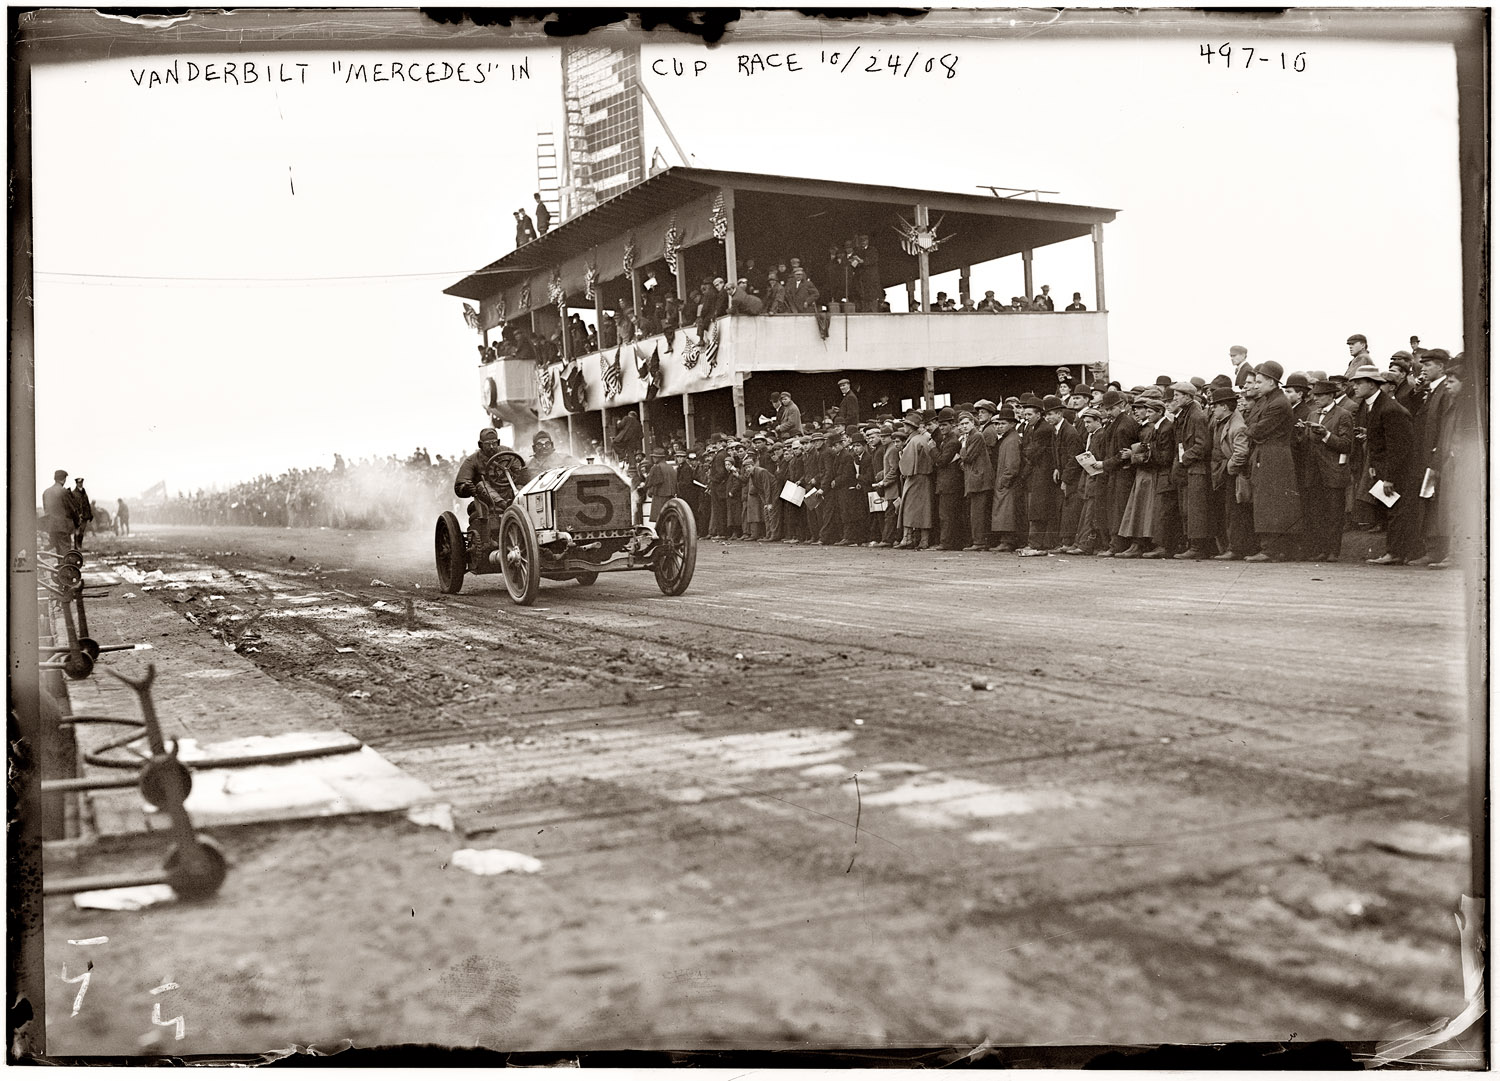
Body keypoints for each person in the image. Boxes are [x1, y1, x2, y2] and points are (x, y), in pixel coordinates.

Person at [1348, 365, 1419, 565]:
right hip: (1385, 469)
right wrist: (1375, 467)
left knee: (1396, 511)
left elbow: (1399, 448)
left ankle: (1395, 553)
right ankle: (1396, 552)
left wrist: (1389, 477)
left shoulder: (1389, 409)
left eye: (1359, 382)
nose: (1355, 386)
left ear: (1372, 384)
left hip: (1397, 472)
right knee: (1392, 510)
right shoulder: (1375, 405)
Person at [1241, 361, 1303, 562]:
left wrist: (1252, 431)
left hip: (1274, 456)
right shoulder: (1269, 400)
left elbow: (1256, 429)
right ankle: (1272, 548)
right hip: (1269, 453)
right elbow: (1252, 426)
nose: (1255, 385)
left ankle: (1271, 549)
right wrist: (1253, 430)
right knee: (1268, 502)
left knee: (1272, 503)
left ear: (1271, 382)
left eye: (1259, 381)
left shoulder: (1277, 403)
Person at [1303, 379, 1354, 561]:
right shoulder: (1312, 415)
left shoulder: (1343, 415)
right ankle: (1321, 550)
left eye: (1320, 395)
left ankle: (1333, 551)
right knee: (1317, 513)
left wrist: (1326, 434)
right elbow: (1308, 443)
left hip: (1333, 471)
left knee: (1334, 513)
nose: (1316, 398)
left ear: (1331, 396)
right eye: (1315, 395)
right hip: (1315, 471)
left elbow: (1347, 445)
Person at [453, 428, 522, 547]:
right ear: (480, 445)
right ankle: (505, 506)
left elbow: (522, 473)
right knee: (481, 484)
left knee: (522, 486)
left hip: (511, 493)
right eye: (487, 444)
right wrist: (467, 487)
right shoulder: (472, 460)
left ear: (498, 442)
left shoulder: (508, 453)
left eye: (494, 443)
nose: (491, 447)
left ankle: (516, 504)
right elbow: (459, 486)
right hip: (486, 502)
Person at [1168, 382, 1213, 559]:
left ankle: (1197, 546)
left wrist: (1184, 458)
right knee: (1188, 509)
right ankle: (1192, 545)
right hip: (1188, 469)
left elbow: (1202, 445)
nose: (1174, 398)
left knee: (1195, 510)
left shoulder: (1196, 416)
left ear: (1187, 397)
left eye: (1177, 395)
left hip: (1195, 469)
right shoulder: (1187, 414)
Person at [895, 409, 935, 549]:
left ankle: (907, 538)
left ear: (910, 427)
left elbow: (906, 466)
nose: (904, 427)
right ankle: (924, 540)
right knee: (925, 510)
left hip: (914, 478)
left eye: (905, 425)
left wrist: (901, 457)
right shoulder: (923, 439)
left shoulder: (913, 442)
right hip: (925, 477)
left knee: (908, 508)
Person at [41, 470, 74, 553]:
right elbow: (71, 509)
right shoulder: (64, 492)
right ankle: (65, 566)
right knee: (65, 549)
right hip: (62, 526)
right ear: (64, 479)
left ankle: (60, 565)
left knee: (58, 549)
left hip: (50, 526)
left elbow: (46, 509)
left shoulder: (46, 492)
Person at [70, 477, 94, 550]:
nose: (80, 484)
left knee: (82, 532)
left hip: (85, 516)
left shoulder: (84, 493)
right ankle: (76, 546)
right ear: (76, 483)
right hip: (77, 516)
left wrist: (90, 514)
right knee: (77, 532)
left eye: (81, 483)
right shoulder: (73, 493)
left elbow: (87, 504)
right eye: (79, 483)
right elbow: (72, 506)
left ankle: (79, 545)